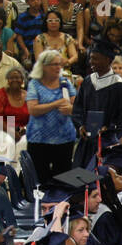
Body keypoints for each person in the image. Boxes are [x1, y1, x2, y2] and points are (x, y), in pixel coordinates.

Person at [25, 49, 78, 183]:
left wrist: (70, 109)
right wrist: (56, 104)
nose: (58, 67)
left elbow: (77, 106)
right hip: (39, 139)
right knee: (40, 178)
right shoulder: (34, 84)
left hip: (64, 138)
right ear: (44, 66)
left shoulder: (65, 83)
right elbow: (33, 109)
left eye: (59, 64)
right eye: (54, 64)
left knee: (63, 178)